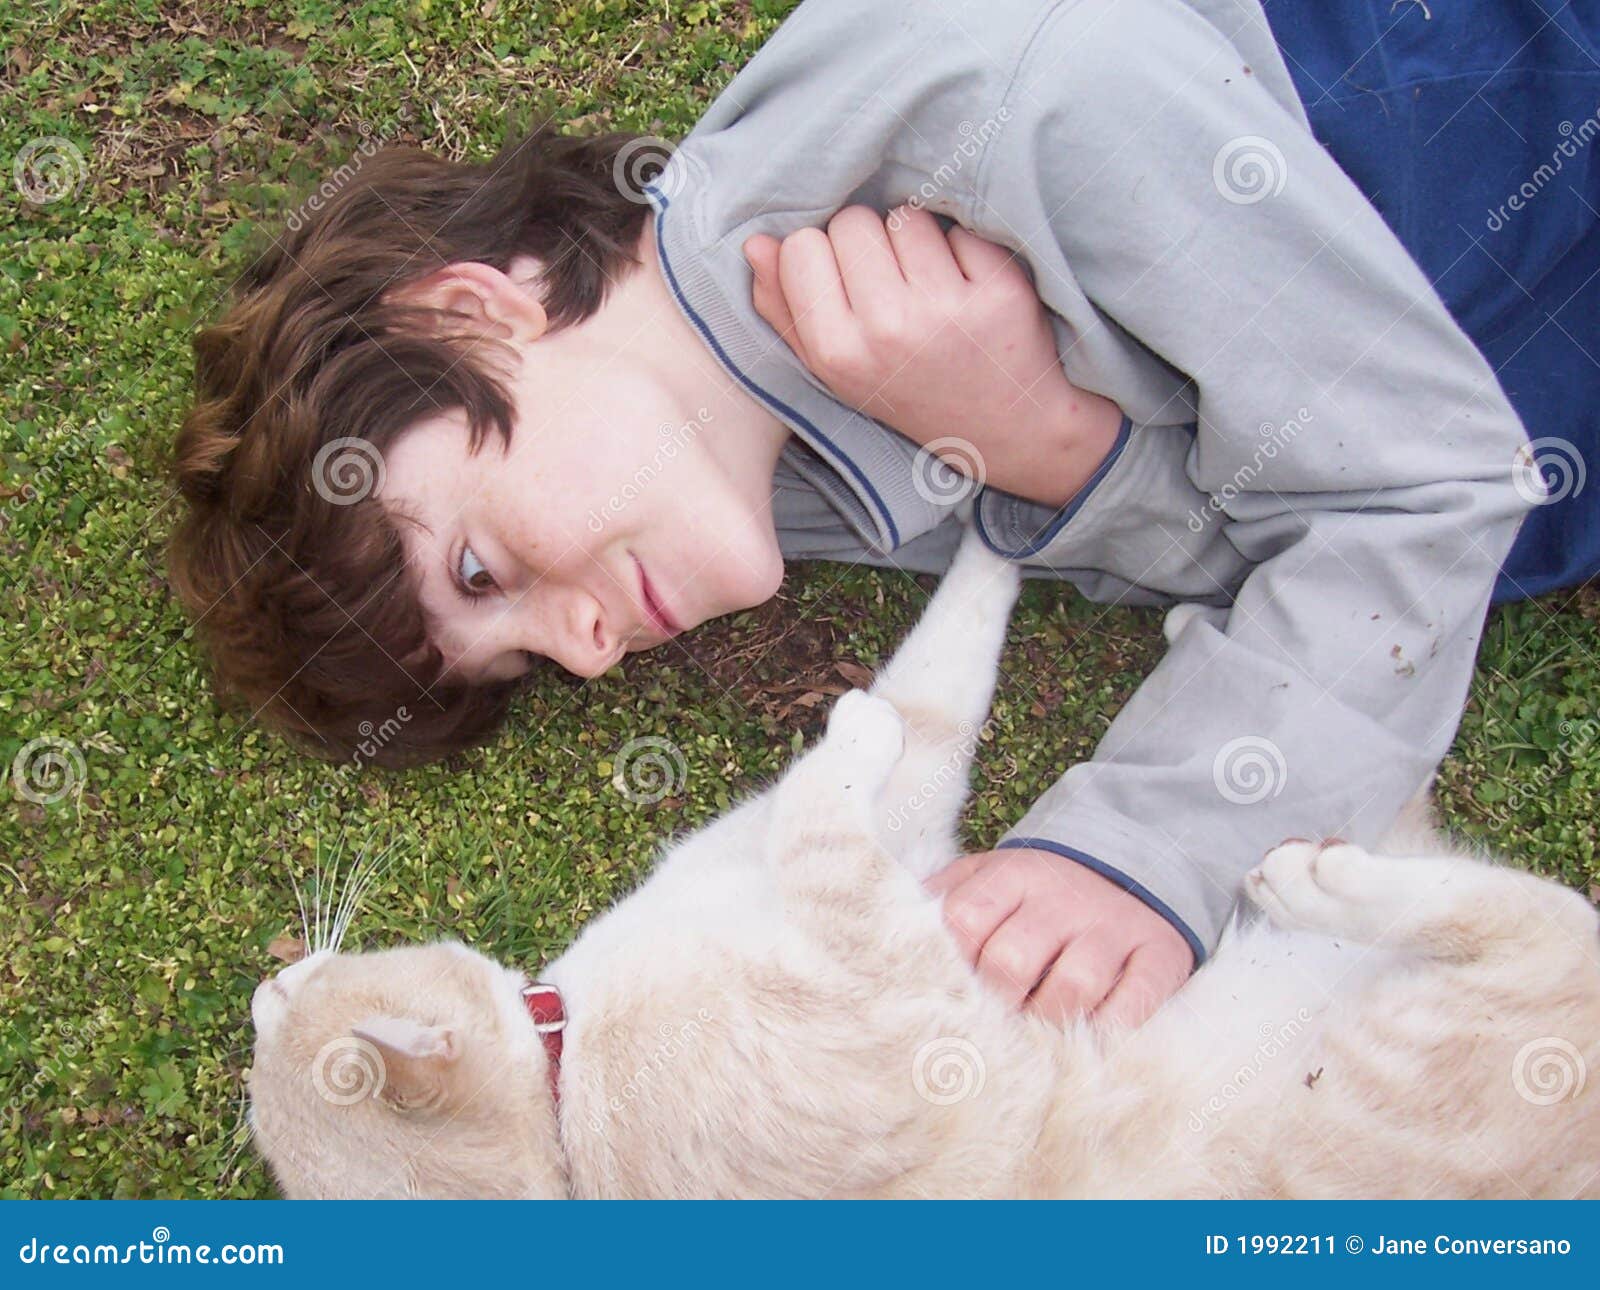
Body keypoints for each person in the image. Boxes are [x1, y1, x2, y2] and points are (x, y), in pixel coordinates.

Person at [169, 0, 1598, 1028]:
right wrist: (1051, 449)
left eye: (483, 570)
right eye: (529, 659)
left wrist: (1148, 851)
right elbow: (1306, 517)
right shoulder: (767, 464)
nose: (593, 653)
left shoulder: (1015, 102)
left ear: (473, 314)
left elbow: (1430, 487)